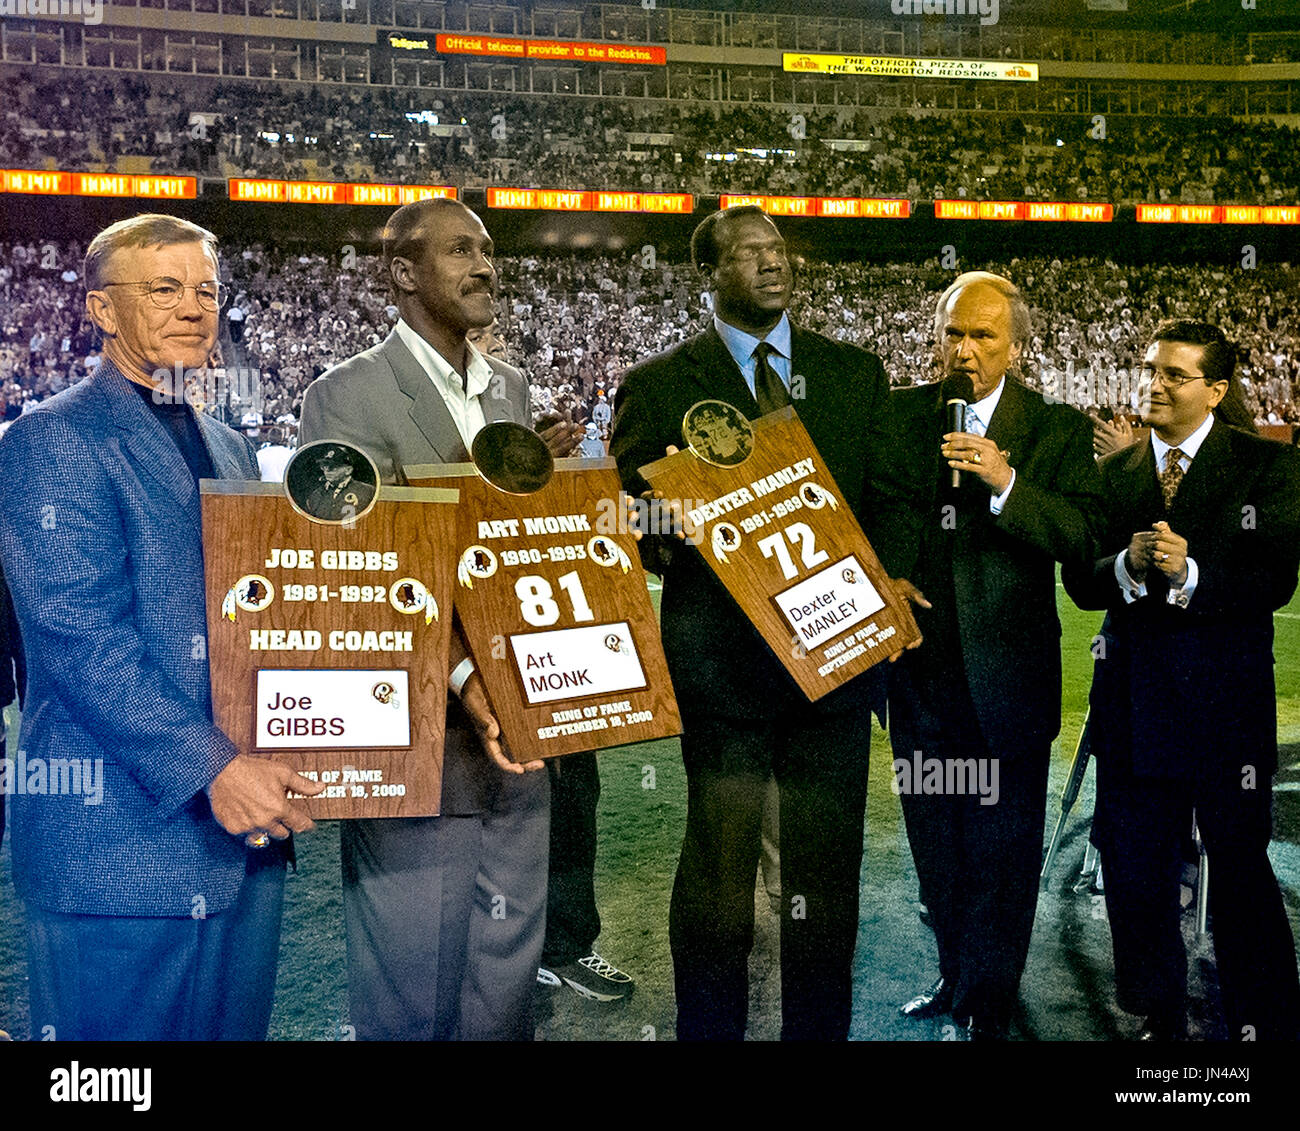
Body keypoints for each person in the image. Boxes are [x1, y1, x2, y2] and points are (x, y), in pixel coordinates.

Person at [0, 213, 323, 1041]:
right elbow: (81, 643)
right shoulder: (52, 439)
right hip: (119, 845)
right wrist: (215, 767)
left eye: (207, 290)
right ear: (104, 311)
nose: (193, 308)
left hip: (241, 841)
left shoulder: (231, 445)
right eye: (165, 289)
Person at [610, 204, 902, 1041]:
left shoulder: (853, 373)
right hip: (725, 675)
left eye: (778, 247)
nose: (772, 261)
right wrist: (666, 521)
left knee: (826, 880)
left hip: (836, 669)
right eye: (749, 251)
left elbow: (889, 498)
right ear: (709, 272)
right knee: (717, 880)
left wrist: (896, 576)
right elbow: (629, 524)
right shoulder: (661, 382)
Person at [299, 197, 585, 1039]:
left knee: (503, 981)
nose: (485, 266)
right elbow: (366, 571)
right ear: (402, 273)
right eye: (460, 250)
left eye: (489, 250)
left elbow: (499, 549)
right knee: (413, 990)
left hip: (524, 736)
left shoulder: (512, 389)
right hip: (418, 741)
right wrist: (467, 676)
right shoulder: (344, 396)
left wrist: (543, 485)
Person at [1062, 320, 1300, 1041]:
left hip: (1227, 714)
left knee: (1239, 868)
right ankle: (1159, 1015)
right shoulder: (1114, 474)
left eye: (1174, 374)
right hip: (1134, 709)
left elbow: (1275, 581)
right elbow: (1080, 582)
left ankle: (1266, 1017)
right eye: (1150, 369)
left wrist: (1191, 574)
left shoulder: (1265, 467)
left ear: (1216, 389)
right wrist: (1127, 570)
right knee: (1137, 872)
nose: (1155, 384)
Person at [880, 270, 1102, 1040]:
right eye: (954, 333)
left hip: (1006, 688)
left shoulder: (1054, 429)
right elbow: (862, 512)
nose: (965, 350)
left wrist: (1006, 481)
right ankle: (954, 973)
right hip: (918, 686)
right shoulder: (901, 416)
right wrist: (884, 574)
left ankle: (990, 1001)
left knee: (1002, 858)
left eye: (984, 335)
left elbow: (1084, 540)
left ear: (1016, 344)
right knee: (936, 850)